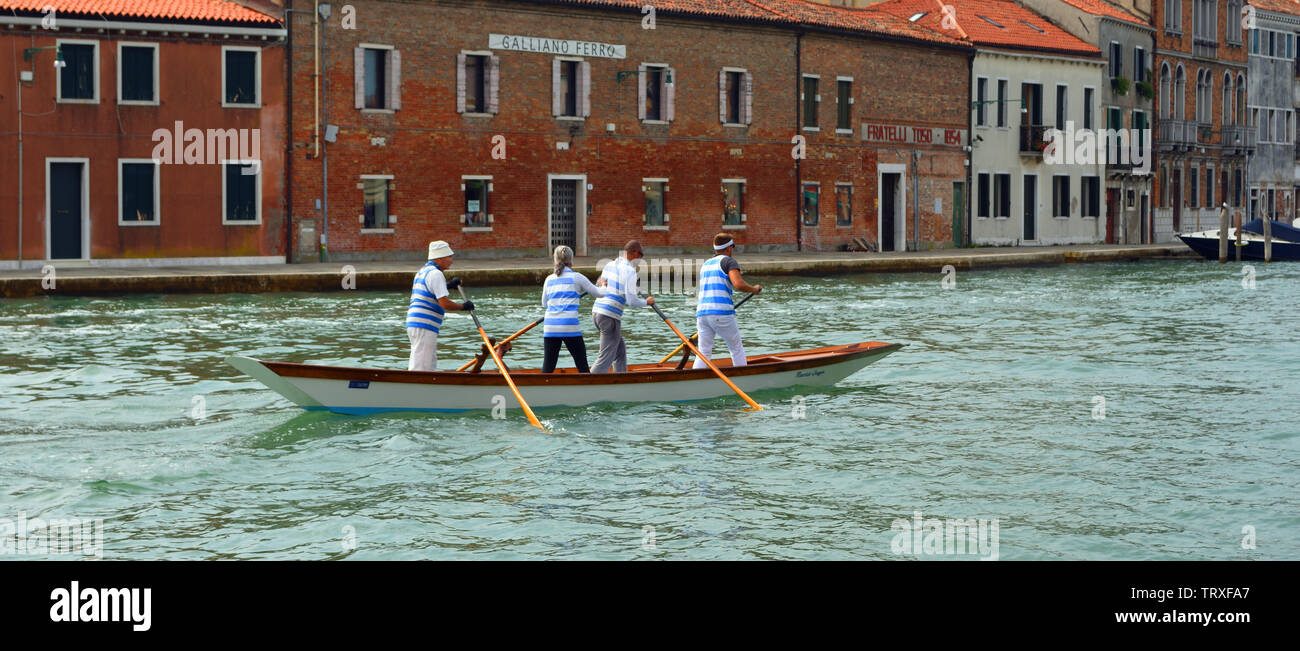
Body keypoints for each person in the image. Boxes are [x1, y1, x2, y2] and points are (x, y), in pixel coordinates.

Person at [693, 233, 761, 369]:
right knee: (736, 348)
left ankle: (694, 380)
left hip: (702, 314)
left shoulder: (706, 264)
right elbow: (738, 284)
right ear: (729, 248)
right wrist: (754, 289)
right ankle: (743, 377)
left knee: (704, 352)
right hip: (720, 313)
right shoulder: (729, 261)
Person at [406, 240, 473, 371]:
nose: (451, 260)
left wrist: (449, 285)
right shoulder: (436, 274)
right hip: (424, 324)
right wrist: (464, 306)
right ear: (440, 258)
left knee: (429, 362)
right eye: (449, 257)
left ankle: (429, 387)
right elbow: (444, 303)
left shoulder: (423, 271)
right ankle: (418, 388)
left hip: (416, 323)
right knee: (422, 366)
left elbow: (430, 291)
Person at [591, 240, 655, 373]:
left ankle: (621, 377)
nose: (641, 259)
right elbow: (631, 302)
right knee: (605, 359)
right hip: (609, 315)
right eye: (641, 255)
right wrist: (646, 302)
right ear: (635, 253)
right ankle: (588, 385)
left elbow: (600, 285)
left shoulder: (609, 264)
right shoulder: (630, 271)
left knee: (620, 352)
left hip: (596, 312)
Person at [541, 245, 607, 373]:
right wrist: (604, 285)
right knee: (582, 366)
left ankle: (542, 387)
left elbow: (544, 304)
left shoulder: (548, 279)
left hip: (550, 326)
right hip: (569, 326)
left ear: (555, 260)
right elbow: (600, 293)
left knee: (548, 367)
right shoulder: (577, 277)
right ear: (571, 260)